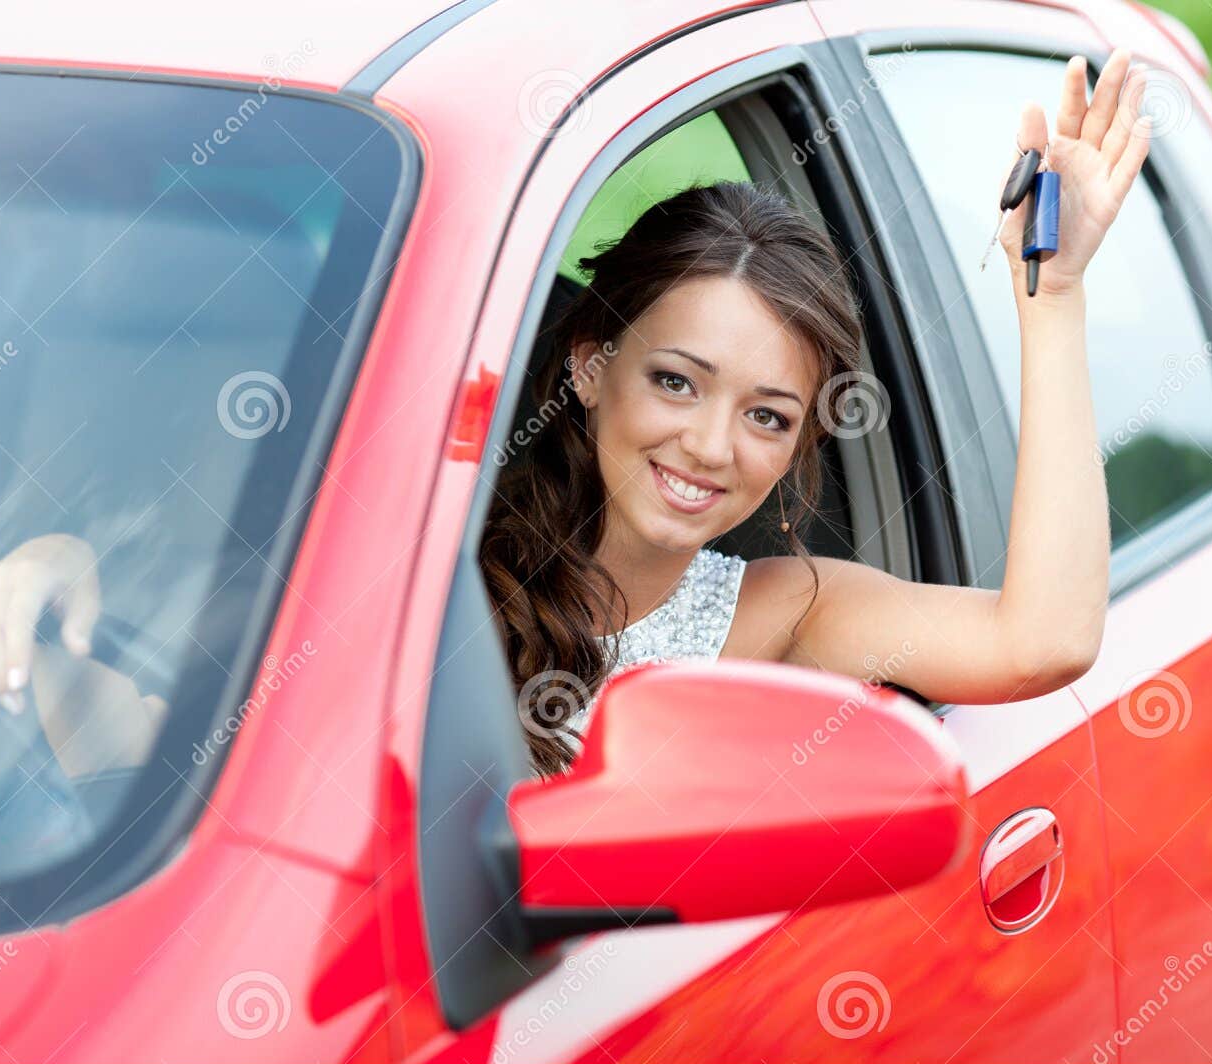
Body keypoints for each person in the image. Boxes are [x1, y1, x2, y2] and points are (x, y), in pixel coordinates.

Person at [480, 51, 1152, 776]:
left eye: (767, 417)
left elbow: (1042, 640)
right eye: (676, 381)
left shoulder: (791, 613)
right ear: (591, 366)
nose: (710, 446)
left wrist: (1052, 298)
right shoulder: (444, 576)